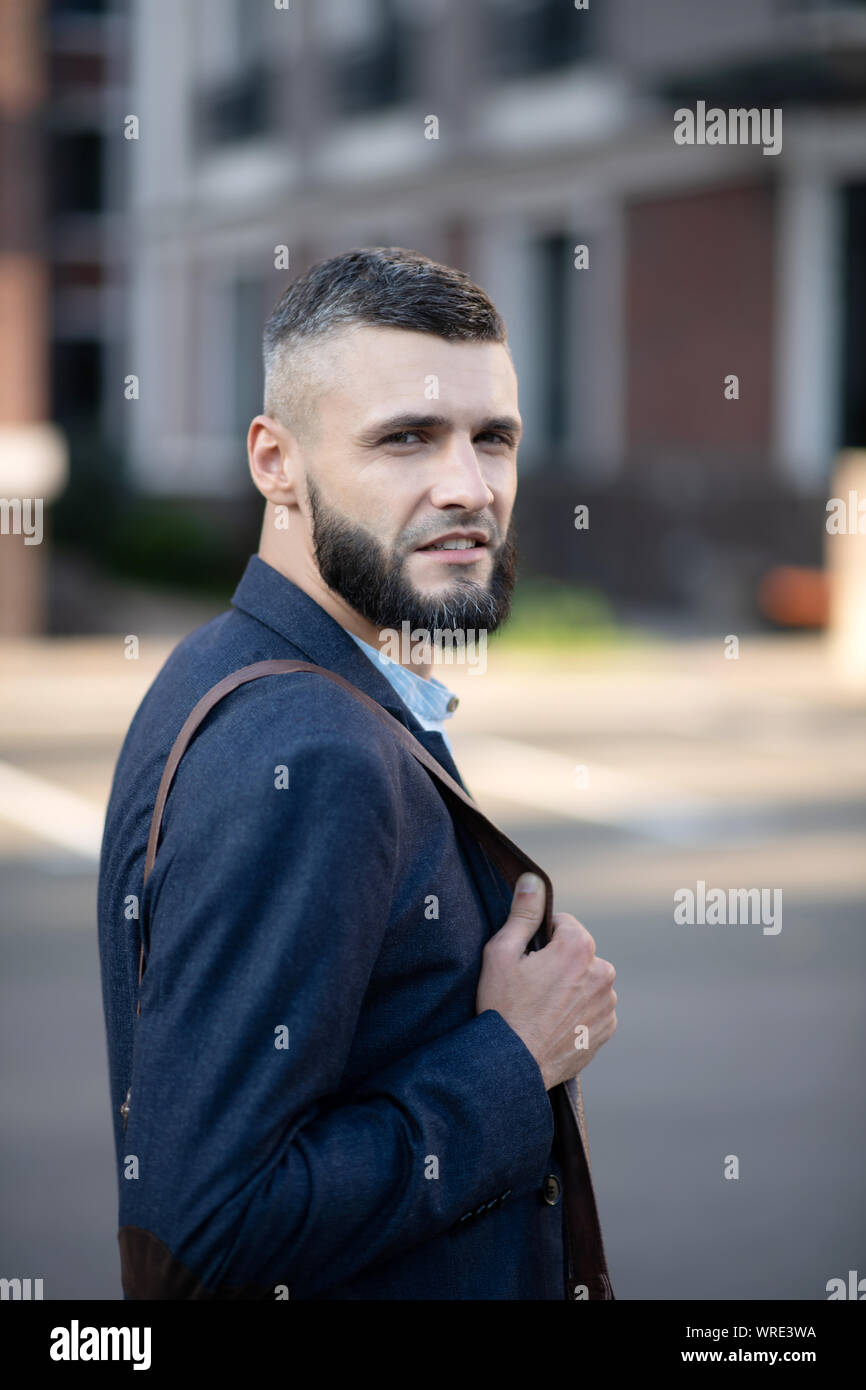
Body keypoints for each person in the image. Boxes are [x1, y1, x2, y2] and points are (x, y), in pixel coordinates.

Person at [97, 246, 617, 1300]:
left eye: (493, 440)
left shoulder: (231, 662)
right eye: (406, 439)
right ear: (274, 460)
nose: (468, 488)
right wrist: (514, 1060)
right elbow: (208, 1241)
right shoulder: (309, 746)